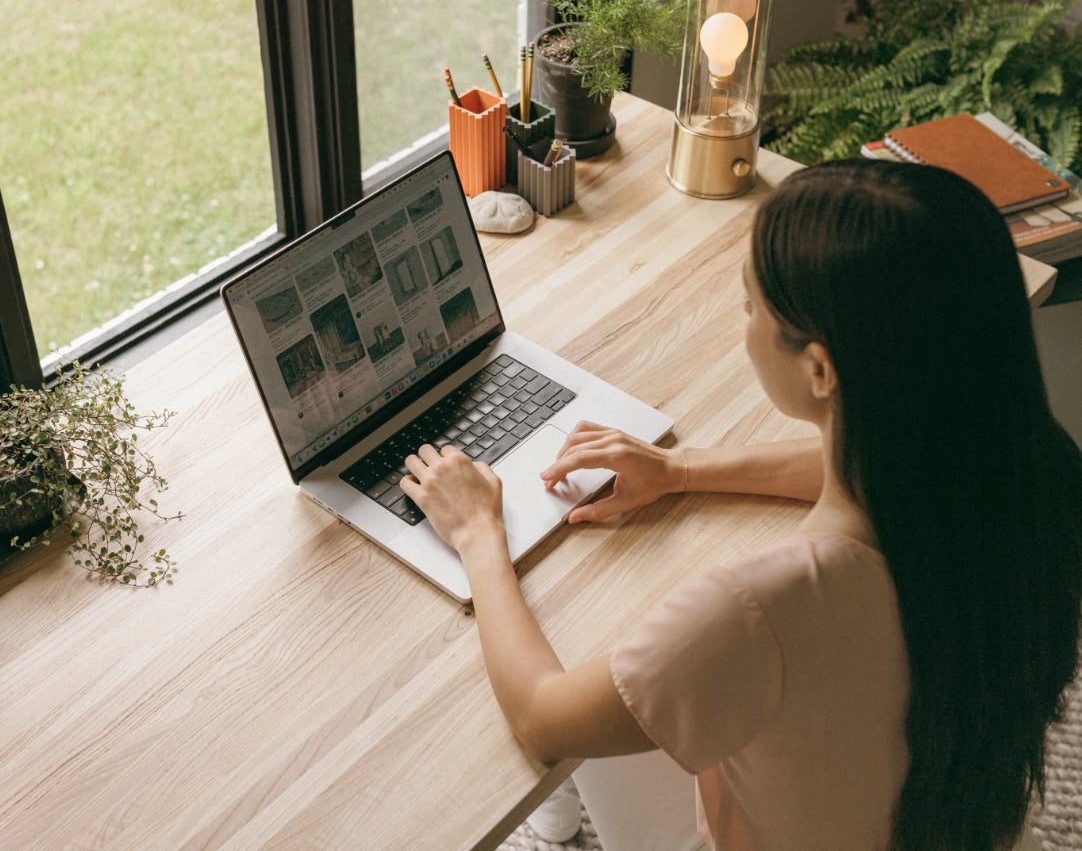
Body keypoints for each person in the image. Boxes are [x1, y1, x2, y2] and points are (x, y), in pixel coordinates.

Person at [399, 158, 1082, 851]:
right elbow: (892, 460)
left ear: (820, 368)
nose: (745, 322)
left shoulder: (761, 608)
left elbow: (542, 719)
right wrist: (679, 467)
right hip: (954, 823)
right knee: (648, 677)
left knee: (597, 656)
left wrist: (479, 531)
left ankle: (552, 824)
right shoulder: (1035, 469)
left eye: (752, 304)